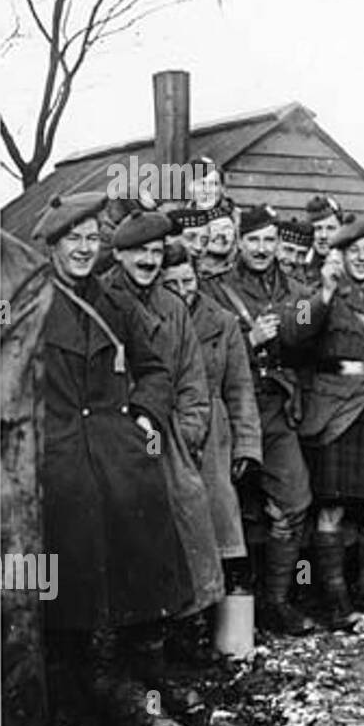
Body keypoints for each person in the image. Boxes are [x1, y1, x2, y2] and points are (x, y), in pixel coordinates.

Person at [31, 192, 192, 688]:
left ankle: (145, 667)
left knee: (144, 542)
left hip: (117, 445)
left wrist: (144, 418)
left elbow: (154, 371)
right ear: (54, 246)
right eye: (72, 239)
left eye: (89, 238)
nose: (82, 248)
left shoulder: (116, 304)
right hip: (55, 447)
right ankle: (69, 673)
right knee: (64, 558)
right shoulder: (26, 305)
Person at [200, 204, 339, 635]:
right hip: (230, 408)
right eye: (253, 240)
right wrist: (249, 338)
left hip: (275, 409)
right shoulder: (217, 289)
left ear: (279, 245)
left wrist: (324, 297)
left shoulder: (295, 288)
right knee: (223, 509)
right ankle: (214, 611)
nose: (261, 249)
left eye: (268, 241)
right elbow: (206, 343)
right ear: (239, 242)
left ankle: (277, 601)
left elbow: (299, 331)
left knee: (295, 500)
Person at [105, 210, 224, 635]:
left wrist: (189, 431)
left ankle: (183, 633)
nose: (150, 260)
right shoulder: (103, 300)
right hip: (119, 435)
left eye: (156, 252)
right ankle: (137, 644)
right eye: (140, 251)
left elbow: (193, 377)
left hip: (167, 435)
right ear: (119, 255)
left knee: (188, 519)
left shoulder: (172, 306)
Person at [297, 214, 364, 628]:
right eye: (353, 252)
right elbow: (294, 335)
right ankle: (337, 603)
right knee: (332, 510)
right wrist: (324, 292)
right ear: (338, 255)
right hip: (335, 411)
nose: (362, 259)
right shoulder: (319, 293)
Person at [161, 244, 262, 608]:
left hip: (215, 433)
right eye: (171, 284)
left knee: (219, 525)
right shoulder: (152, 319)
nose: (182, 290)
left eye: (187, 280)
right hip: (171, 429)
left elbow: (240, 387)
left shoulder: (222, 321)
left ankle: (217, 623)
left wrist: (247, 445)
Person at [198, 204, 237, 282]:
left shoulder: (239, 274)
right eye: (214, 228)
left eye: (227, 228)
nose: (221, 234)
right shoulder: (189, 273)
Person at [276, 216, 317, 284]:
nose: (293, 259)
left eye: (301, 254)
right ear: (275, 247)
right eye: (289, 250)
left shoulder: (309, 285)